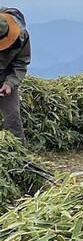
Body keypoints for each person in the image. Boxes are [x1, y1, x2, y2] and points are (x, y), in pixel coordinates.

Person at [0, 7, 31, 143]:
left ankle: (18, 150)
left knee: (12, 116)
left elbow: (21, 63)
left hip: (6, 75)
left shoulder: (21, 36)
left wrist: (10, 83)